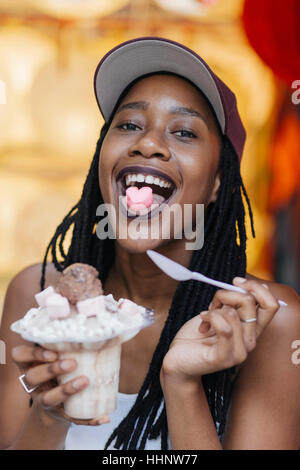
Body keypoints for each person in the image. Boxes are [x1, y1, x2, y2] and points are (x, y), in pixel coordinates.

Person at [0, 37, 299, 451]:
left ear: (216, 184)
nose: (149, 142)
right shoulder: (35, 295)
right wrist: (49, 416)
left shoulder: (271, 324)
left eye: (183, 131)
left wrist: (182, 384)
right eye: (128, 125)